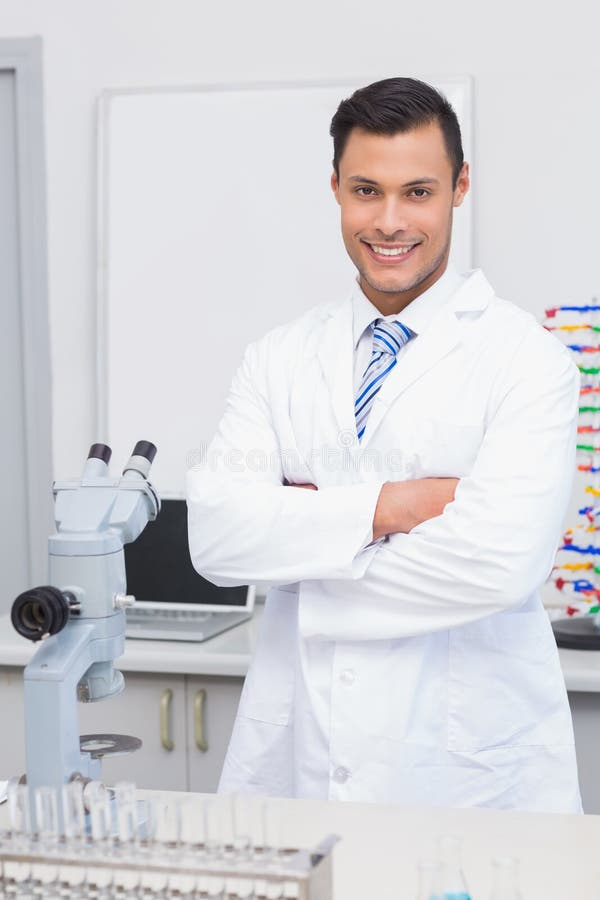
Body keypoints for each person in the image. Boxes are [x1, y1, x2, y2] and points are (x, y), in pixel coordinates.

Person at [186, 77, 582, 812]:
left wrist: (304, 555)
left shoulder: (527, 361)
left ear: (460, 187)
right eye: (367, 190)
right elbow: (216, 538)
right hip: (298, 759)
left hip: (468, 777)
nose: (390, 221)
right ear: (334, 187)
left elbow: (496, 563)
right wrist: (396, 507)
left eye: (418, 192)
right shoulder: (277, 357)